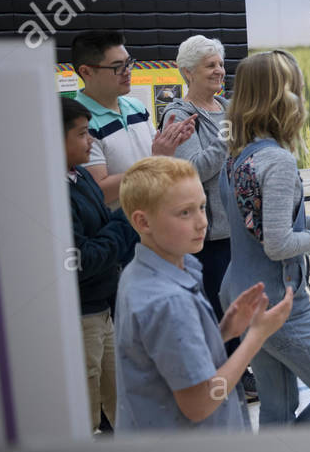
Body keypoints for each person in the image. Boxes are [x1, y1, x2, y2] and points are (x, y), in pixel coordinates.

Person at [220, 50, 310, 428]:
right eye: (297, 89)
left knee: (277, 407)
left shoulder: (235, 155)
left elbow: (265, 226)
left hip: (242, 291)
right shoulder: (278, 161)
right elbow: (279, 245)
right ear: (282, 97)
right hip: (279, 303)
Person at [113, 156, 293, 432]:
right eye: (185, 212)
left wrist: (223, 332)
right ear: (143, 222)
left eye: (201, 207)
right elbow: (199, 403)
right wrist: (256, 336)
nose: (202, 222)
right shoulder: (168, 301)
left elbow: (171, 357)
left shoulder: (144, 271)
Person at [63, 97, 139, 433]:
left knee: (121, 405)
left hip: (104, 309)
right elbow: (83, 259)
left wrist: (117, 228)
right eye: (81, 134)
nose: (90, 141)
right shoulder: (53, 192)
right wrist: (122, 225)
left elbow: (101, 240)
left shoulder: (81, 177)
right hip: (82, 318)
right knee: (88, 417)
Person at [71, 30, 195, 205]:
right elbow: (98, 191)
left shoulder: (135, 107)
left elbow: (157, 159)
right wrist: (157, 160)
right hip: (117, 229)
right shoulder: (78, 122)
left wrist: (169, 142)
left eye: (128, 63)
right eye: (117, 66)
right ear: (86, 72)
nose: (127, 71)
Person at [161, 36, 232, 320]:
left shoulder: (228, 108)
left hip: (239, 233)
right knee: (219, 319)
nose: (219, 70)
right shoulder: (179, 116)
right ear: (188, 72)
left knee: (242, 316)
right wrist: (230, 136)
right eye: (209, 65)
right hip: (209, 241)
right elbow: (190, 172)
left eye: (221, 64)